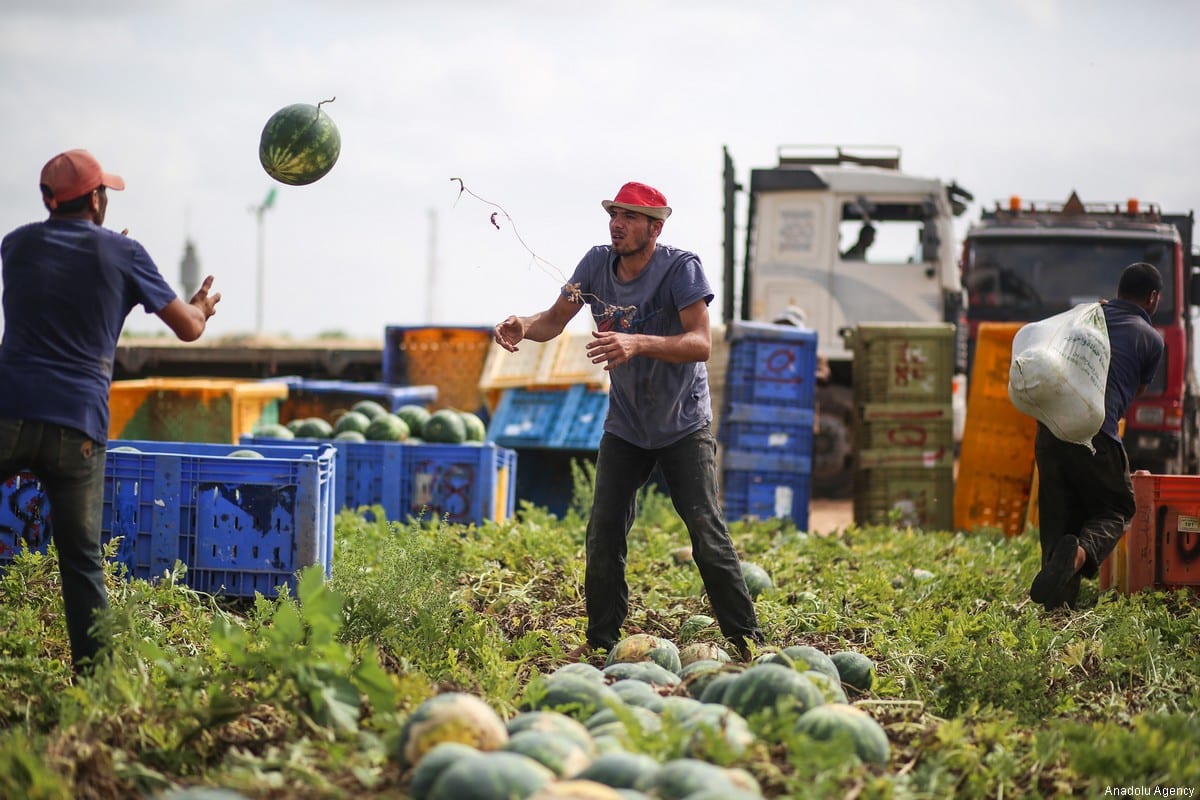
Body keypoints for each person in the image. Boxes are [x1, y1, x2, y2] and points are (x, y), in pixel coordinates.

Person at [493, 181, 764, 658]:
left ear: (655, 228)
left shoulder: (681, 269)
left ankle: (746, 642)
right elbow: (554, 320)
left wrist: (637, 342)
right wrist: (524, 326)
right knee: (603, 533)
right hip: (627, 426)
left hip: (683, 423)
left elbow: (701, 343)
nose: (617, 224)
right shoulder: (596, 263)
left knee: (705, 530)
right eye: (614, 215)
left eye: (630, 218)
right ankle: (602, 645)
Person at [0, 149, 222, 674]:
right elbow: (188, 327)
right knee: (81, 562)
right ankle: (97, 685)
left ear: (49, 200)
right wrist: (202, 307)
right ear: (97, 199)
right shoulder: (125, 256)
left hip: (9, 412)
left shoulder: (15, 246)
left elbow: (58, 291)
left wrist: (110, 271)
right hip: (76, 426)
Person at [1028, 262, 1164, 610]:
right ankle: (1079, 555)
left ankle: (1057, 609)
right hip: (1096, 434)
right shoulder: (1150, 338)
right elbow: (1138, 389)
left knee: (1059, 516)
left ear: (1118, 291)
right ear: (1152, 298)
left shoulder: (1088, 316)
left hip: (1049, 430)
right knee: (1117, 508)